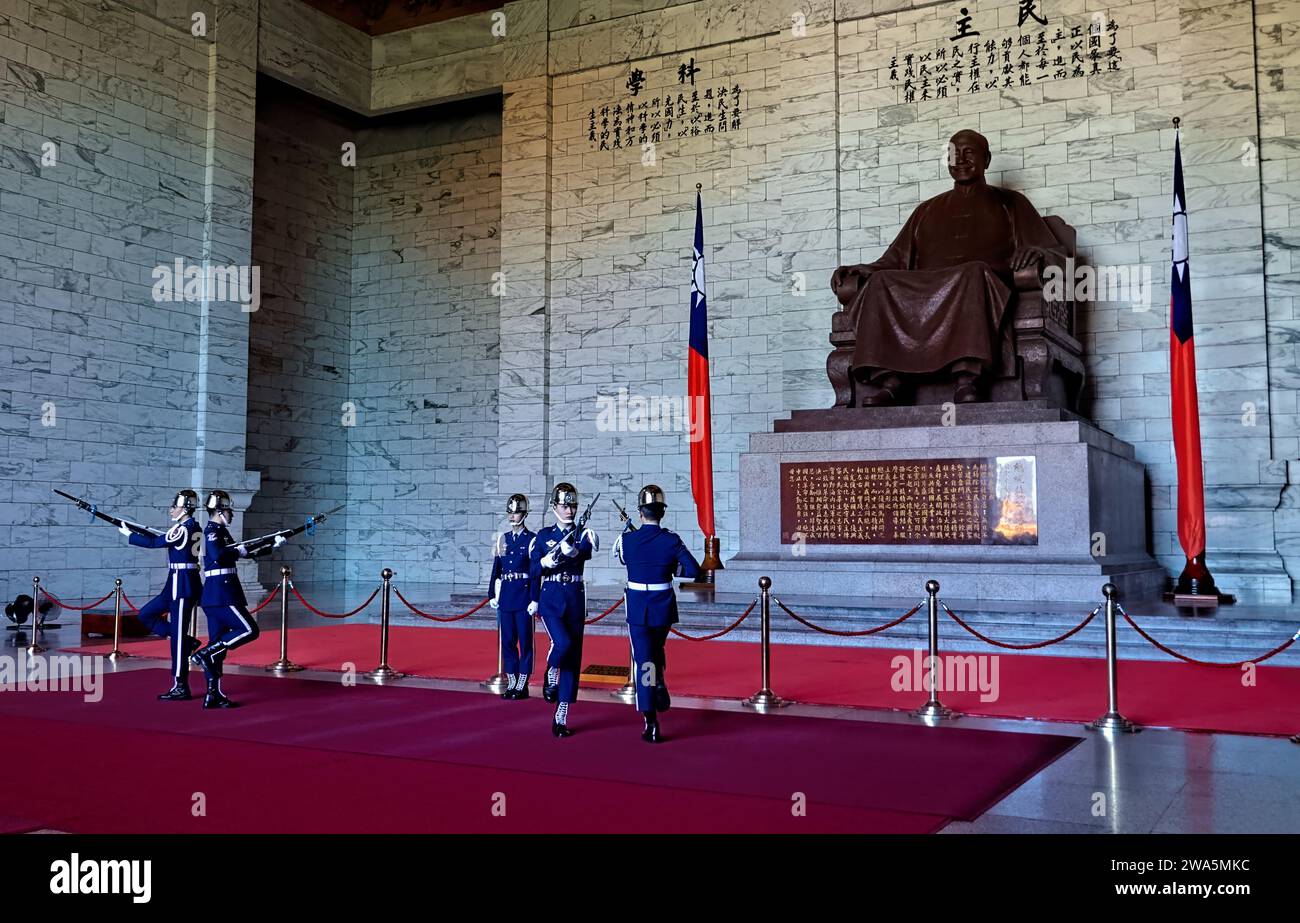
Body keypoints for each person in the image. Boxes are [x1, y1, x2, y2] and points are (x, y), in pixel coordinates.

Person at [830, 128, 1064, 405]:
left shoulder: (1010, 203)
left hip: (980, 282)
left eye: (969, 153)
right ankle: (891, 380)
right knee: (881, 282)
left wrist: (1034, 252)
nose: (961, 160)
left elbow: (1054, 252)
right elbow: (894, 259)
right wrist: (864, 269)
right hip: (928, 287)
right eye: (954, 154)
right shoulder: (927, 210)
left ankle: (967, 378)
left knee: (972, 272)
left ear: (986, 159)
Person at [612, 485, 700, 743]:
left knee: (644, 662)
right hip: (662, 605)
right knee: (656, 649)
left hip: (639, 607)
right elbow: (693, 569)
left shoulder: (627, 540)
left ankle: (651, 721)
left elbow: (625, 561)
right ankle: (659, 678)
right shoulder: (671, 539)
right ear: (661, 513)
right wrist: (672, 567)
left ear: (640, 513)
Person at [190, 490, 280, 708]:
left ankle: (213, 694)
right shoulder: (212, 532)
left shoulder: (220, 531)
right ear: (220, 512)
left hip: (218, 594)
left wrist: (271, 545)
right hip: (222, 594)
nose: (232, 514)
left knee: (218, 647)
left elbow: (242, 551)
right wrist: (240, 550)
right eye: (229, 510)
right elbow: (220, 556)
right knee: (249, 630)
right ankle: (205, 653)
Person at [528, 482, 598, 737]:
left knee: (573, 656)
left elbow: (585, 553)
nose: (569, 510)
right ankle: (551, 670)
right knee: (562, 643)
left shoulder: (583, 534)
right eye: (565, 505)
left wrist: (575, 551)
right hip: (552, 598)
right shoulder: (543, 536)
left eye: (573, 505)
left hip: (575, 598)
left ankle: (562, 714)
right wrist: (544, 563)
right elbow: (532, 570)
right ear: (554, 507)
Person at [121, 489, 203, 700]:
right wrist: (137, 530)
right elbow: (161, 538)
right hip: (175, 581)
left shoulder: (184, 529)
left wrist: (129, 535)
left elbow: (155, 543)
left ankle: (181, 685)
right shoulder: (190, 527)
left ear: (185, 509)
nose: (172, 510)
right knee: (146, 614)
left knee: (176, 641)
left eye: (175, 506)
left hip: (182, 583)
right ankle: (187, 641)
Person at [489, 494, 536, 699]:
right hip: (506, 595)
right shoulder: (503, 538)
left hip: (524, 595)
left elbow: (535, 573)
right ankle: (513, 682)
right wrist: (492, 592)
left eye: (516, 512)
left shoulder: (532, 539)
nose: (512, 515)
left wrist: (535, 598)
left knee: (525, 641)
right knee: (507, 641)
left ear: (524, 514)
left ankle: (523, 683)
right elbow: (496, 569)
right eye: (510, 512)